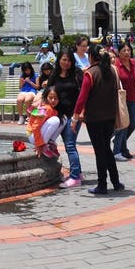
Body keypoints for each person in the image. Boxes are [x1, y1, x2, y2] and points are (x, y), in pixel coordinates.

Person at [73, 44, 123, 195]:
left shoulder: (90, 73)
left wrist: (75, 117)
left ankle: (102, 184)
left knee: (100, 151)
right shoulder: (113, 71)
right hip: (109, 117)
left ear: (91, 57)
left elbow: (82, 98)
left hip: (94, 119)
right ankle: (116, 182)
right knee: (106, 148)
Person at [50, 48, 83, 188]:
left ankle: (75, 178)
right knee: (65, 144)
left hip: (73, 115)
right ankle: (78, 172)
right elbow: (48, 93)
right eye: (64, 59)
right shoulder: (54, 74)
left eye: (69, 60)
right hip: (59, 116)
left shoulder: (77, 73)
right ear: (59, 60)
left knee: (70, 145)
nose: (66, 62)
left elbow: (83, 94)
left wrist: (81, 113)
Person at [112, 42, 135, 161]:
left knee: (134, 123)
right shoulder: (116, 64)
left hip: (132, 98)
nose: (127, 53)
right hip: (121, 100)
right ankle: (119, 150)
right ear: (118, 53)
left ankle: (119, 143)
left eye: (128, 50)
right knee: (123, 125)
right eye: (124, 51)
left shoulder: (133, 62)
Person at [25, 88, 63, 158]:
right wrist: (38, 144)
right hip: (33, 135)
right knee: (56, 120)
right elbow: (35, 127)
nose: (53, 100)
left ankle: (50, 143)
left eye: (56, 98)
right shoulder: (45, 109)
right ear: (46, 97)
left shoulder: (55, 110)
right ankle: (43, 146)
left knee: (64, 119)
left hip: (39, 134)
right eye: (50, 98)